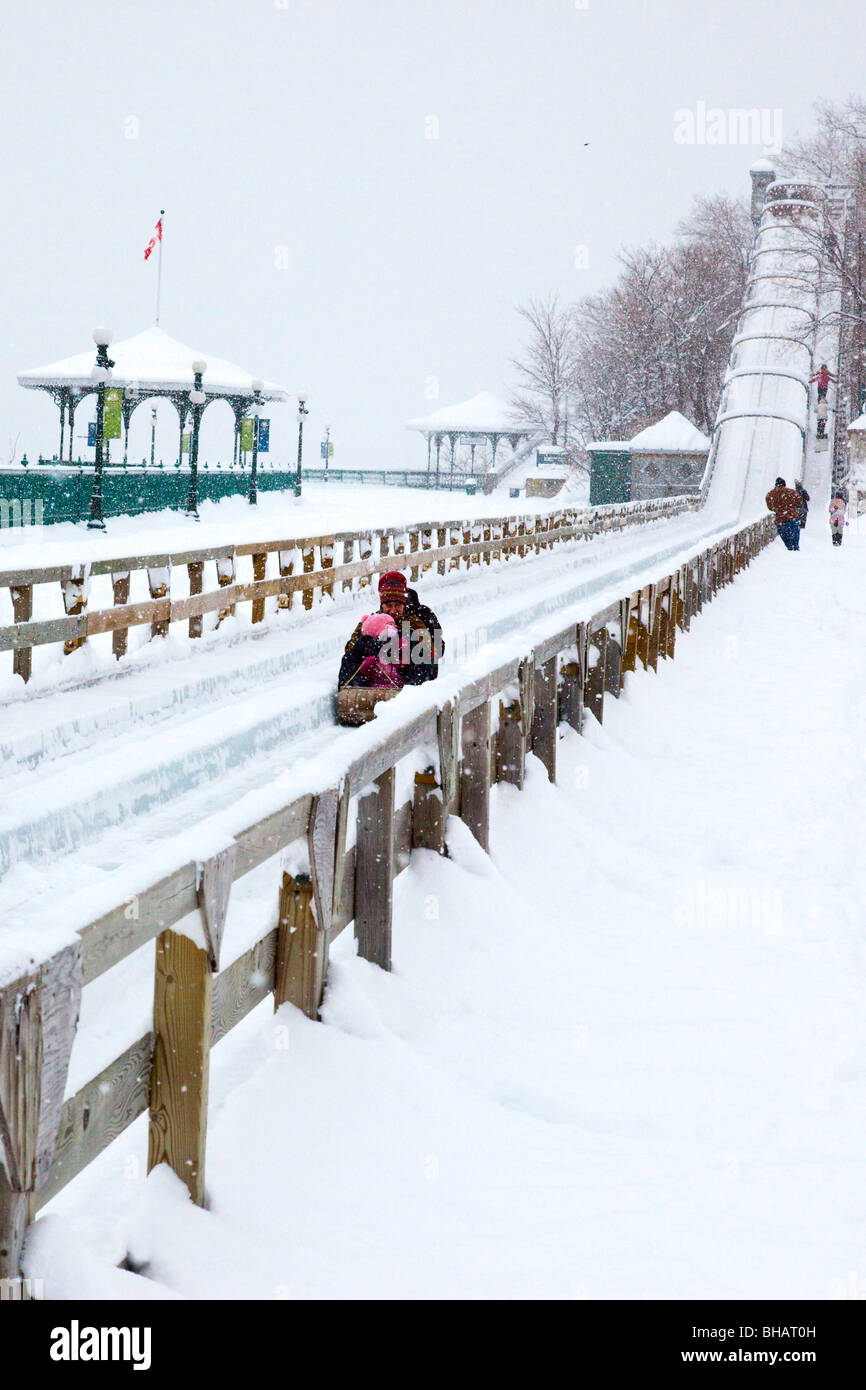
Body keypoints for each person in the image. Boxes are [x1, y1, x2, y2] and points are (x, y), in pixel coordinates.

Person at [338, 570, 444, 689]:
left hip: (405, 672)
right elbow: (350, 648)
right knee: (349, 657)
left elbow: (431, 649)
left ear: (404, 605)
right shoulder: (373, 620)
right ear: (382, 605)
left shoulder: (414, 620)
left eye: (397, 605)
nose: (393, 610)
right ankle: (349, 690)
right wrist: (367, 642)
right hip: (376, 670)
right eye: (389, 606)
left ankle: (409, 692)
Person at [765, 477, 803, 550]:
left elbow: (770, 507)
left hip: (782, 519)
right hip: (793, 517)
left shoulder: (771, 494)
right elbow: (799, 501)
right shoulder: (791, 492)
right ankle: (796, 547)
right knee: (795, 535)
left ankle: (790, 547)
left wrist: (779, 508)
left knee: (785, 536)